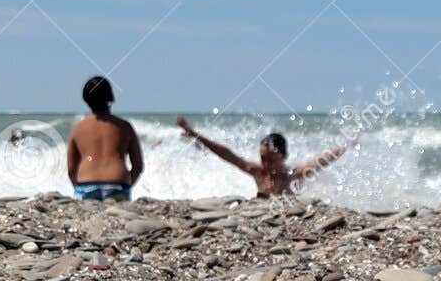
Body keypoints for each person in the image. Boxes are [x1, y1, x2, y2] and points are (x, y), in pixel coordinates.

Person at [175, 116, 349, 197]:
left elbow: (324, 159)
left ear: (283, 156)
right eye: (262, 158)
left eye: (270, 159)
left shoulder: (294, 175)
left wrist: (348, 142)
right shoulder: (258, 172)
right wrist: (194, 133)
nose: (265, 163)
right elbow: (227, 155)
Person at [67, 75, 143, 201]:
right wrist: (127, 186)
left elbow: (71, 169)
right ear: (110, 96)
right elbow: (138, 166)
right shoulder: (125, 126)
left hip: (86, 184)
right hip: (117, 184)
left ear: (86, 98)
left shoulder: (78, 128)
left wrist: (78, 188)